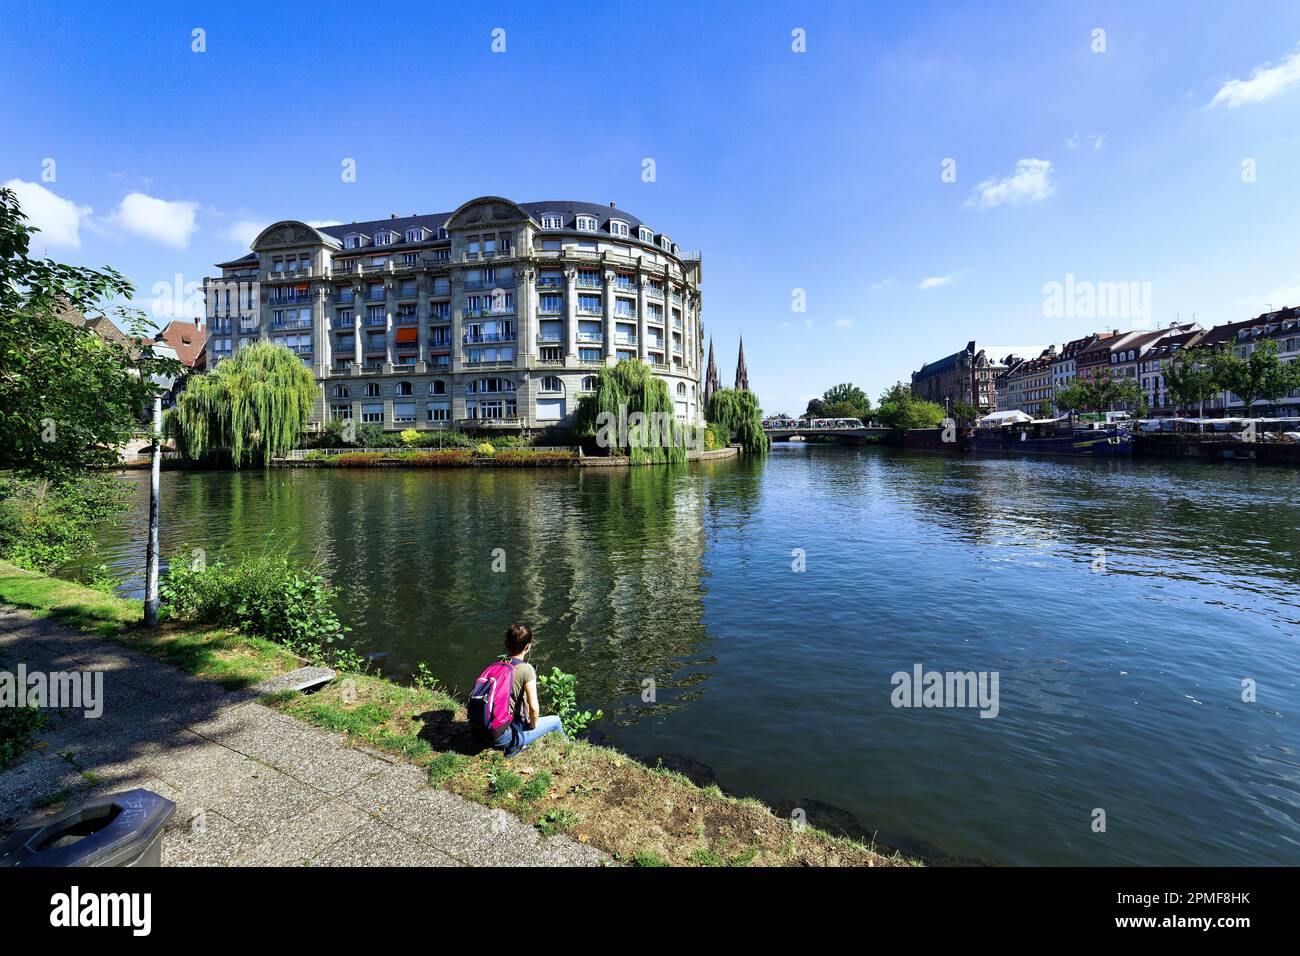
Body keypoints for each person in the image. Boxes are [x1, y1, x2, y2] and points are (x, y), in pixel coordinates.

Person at [485, 624, 567, 757]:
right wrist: (532, 726)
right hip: (500, 738)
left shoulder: (497, 665)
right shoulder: (526, 669)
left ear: (506, 643)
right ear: (527, 647)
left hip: (480, 731)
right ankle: (569, 748)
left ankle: (512, 742)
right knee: (556, 720)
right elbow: (534, 708)